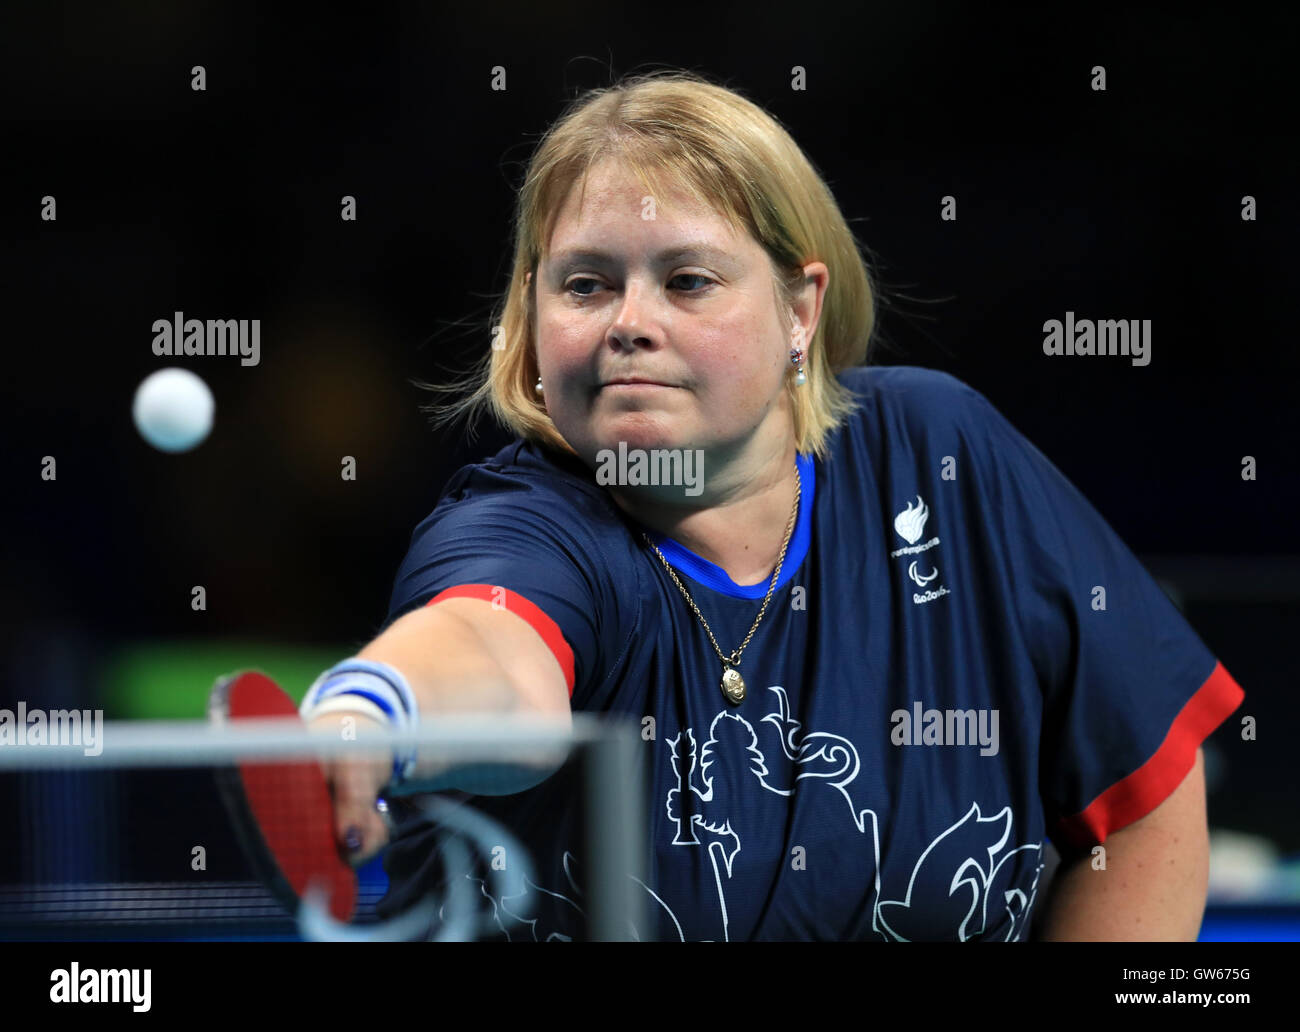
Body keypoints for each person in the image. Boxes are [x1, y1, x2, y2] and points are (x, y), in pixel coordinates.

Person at [299, 70, 1244, 941]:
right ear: (531, 323)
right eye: (585, 284)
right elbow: (497, 663)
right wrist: (374, 709)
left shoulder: (940, 454)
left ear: (800, 312)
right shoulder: (521, 526)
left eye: (687, 280)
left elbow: (1146, 788)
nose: (630, 321)